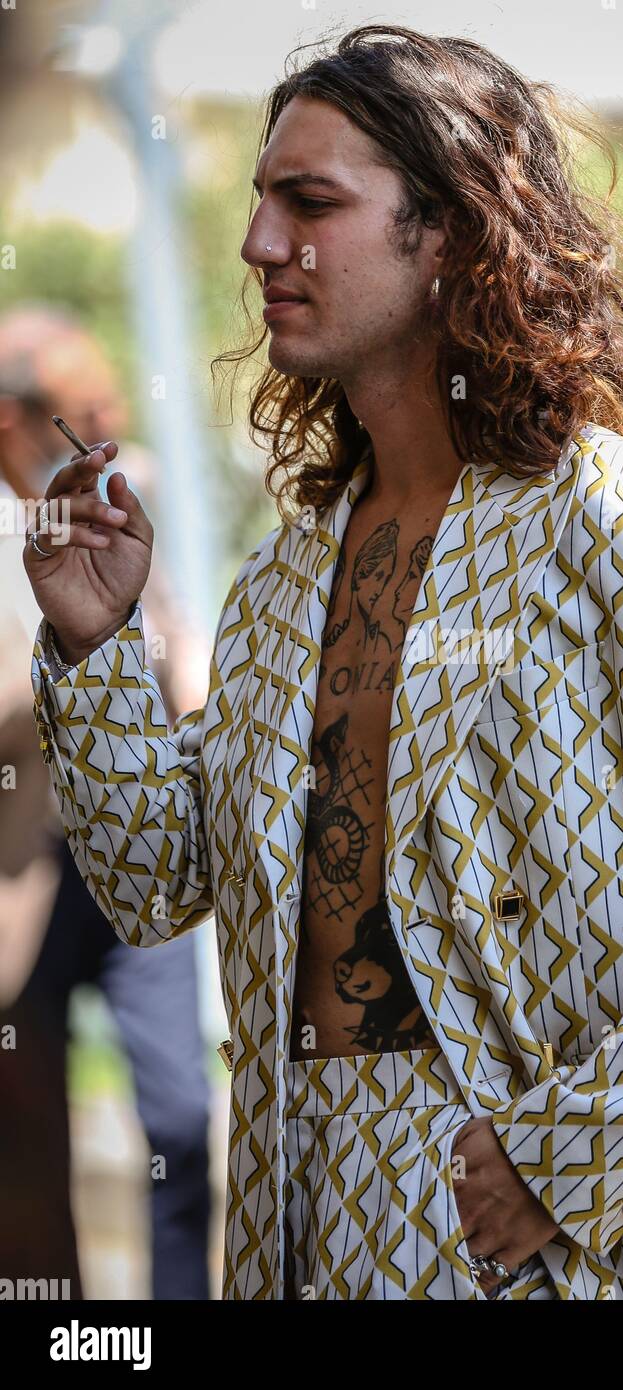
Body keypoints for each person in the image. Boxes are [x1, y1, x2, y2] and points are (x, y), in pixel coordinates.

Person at [22, 26, 623, 1301]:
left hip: (546, 1225)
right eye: (260, 200)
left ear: (455, 235)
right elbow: (160, 885)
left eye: (309, 201)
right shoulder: (286, 576)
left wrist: (561, 1154)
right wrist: (93, 646)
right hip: (297, 1219)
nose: (261, 243)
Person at [0, 306, 212, 1299]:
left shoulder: (111, 500)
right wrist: (57, 649)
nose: (104, 422)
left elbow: (176, 645)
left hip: (141, 859)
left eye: (110, 404)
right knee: (28, 1171)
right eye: (82, 409)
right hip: (25, 883)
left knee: (181, 1123)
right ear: (13, 417)